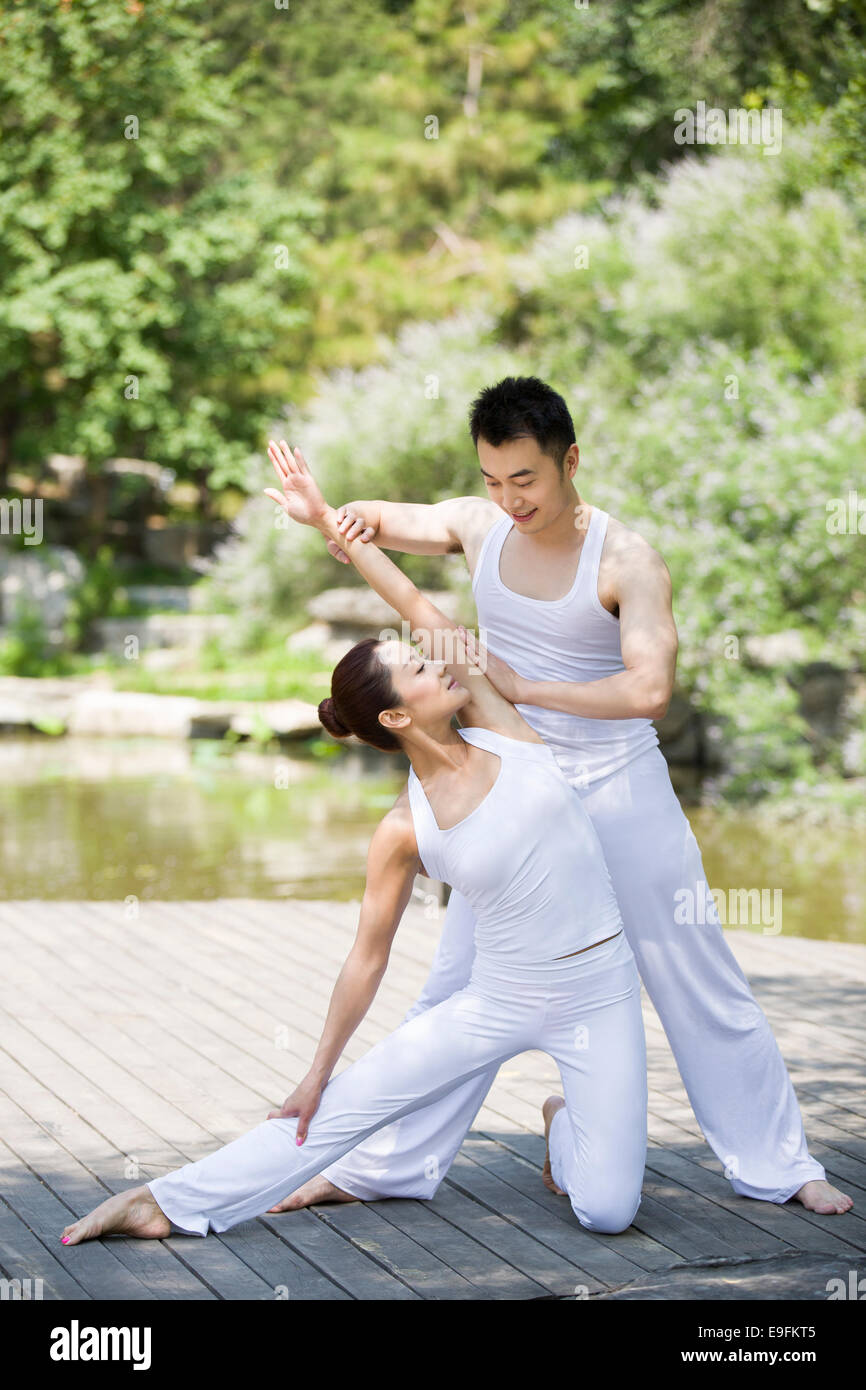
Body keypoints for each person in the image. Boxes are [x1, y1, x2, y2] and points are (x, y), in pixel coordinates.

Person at [282, 375, 851, 1218]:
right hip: (507, 790)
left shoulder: (627, 562)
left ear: (570, 460)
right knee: (461, 981)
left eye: (526, 480)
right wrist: (332, 513)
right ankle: (385, 1166)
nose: (509, 499)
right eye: (492, 480)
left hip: (618, 783)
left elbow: (648, 689)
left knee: (695, 973)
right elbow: (390, 528)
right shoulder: (479, 526)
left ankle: (776, 1162)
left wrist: (524, 687)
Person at [59, 438, 647, 1246]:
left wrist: (324, 522)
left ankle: (561, 1126)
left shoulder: (502, 727)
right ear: (398, 718)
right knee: (331, 1112)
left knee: (608, 1211)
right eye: (416, 671)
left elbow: (414, 603)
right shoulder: (405, 828)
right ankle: (167, 1203)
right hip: (499, 995)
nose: (438, 661)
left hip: (600, 988)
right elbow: (366, 958)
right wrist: (317, 1068)